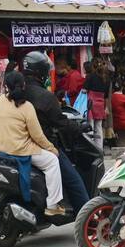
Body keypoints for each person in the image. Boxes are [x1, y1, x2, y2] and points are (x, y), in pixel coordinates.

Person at [19, 51, 89, 214]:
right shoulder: (44, 97)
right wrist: (79, 128)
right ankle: (86, 217)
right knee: (74, 180)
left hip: (13, 143)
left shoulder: (15, 93)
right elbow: (61, 123)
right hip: (40, 145)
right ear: (42, 73)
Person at [0, 71, 64, 216]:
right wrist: (52, 148)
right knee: (53, 161)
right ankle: (53, 204)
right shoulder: (26, 106)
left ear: (6, 86)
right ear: (24, 86)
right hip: (19, 150)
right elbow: (38, 136)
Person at [84, 60, 108, 152]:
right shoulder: (106, 79)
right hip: (101, 104)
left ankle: (91, 148)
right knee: (99, 127)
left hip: (91, 103)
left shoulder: (91, 77)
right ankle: (99, 148)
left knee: (91, 126)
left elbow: (84, 89)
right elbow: (106, 96)